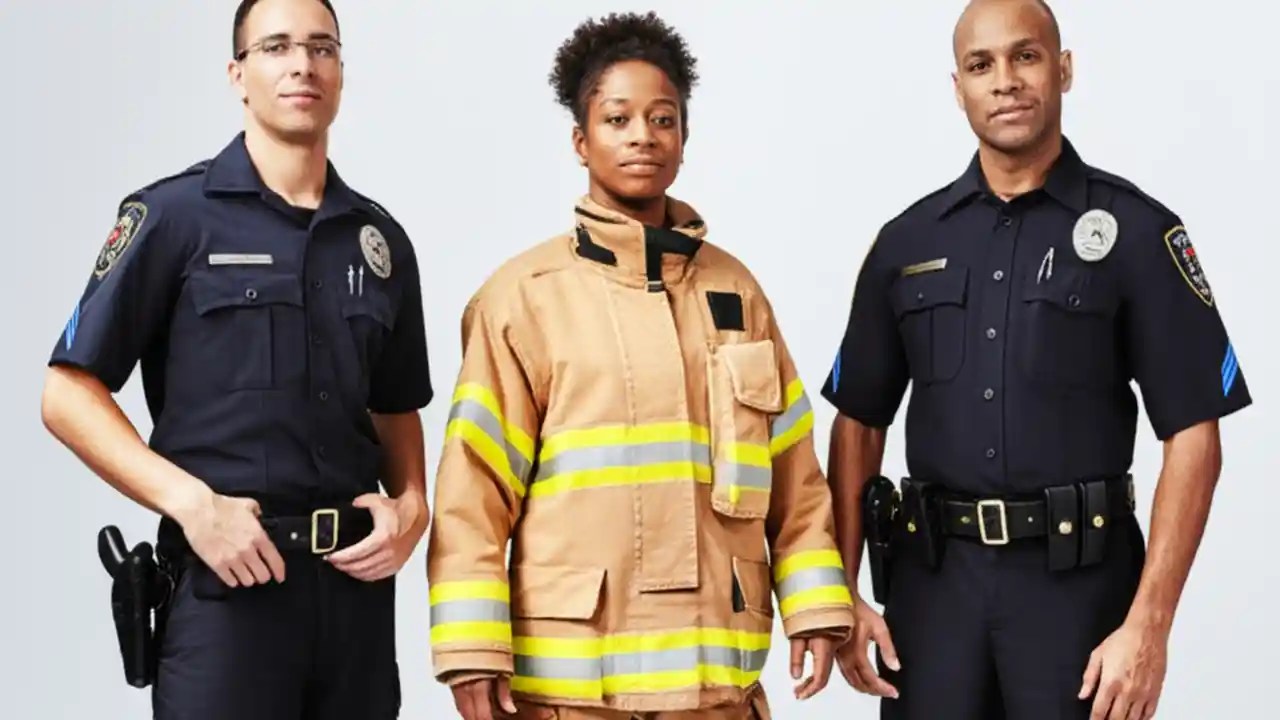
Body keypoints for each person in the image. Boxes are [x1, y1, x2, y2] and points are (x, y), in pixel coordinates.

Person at [820, 1, 1252, 719]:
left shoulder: (1139, 233)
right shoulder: (906, 241)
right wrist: (840, 589)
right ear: (957, 87)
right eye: (981, 65)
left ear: (1064, 69)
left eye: (1026, 56)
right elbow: (858, 423)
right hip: (932, 599)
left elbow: (1195, 436)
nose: (1005, 81)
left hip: (1079, 597)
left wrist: (1149, 624)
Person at [426, 12, 854, 720]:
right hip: (572, 692)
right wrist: (470, 651)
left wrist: (813, 606)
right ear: (580, 139)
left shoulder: (736, 293)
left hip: (716, 690)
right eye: (618, 118)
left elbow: (796, 477)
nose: (643, 137)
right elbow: (472, 491)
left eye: (663, 119)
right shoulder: (522, 299)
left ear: (684, 139)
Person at [40, 0, 433, 717]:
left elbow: (394, 403)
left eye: (322, 48)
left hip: (357, 599)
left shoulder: (380, 242)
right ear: (238, 74)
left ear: (340, 72)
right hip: (230, 590)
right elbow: (66, 393)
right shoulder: (174, 217)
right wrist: (191, 505)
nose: (302, 64)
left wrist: (412, 507)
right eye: (276, 47)